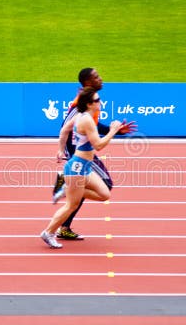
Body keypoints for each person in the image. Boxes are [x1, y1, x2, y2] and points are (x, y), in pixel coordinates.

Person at [51, 67, 136, 240]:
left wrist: (118, 130)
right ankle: (66, 197)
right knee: (105, 184)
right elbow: (66, 127)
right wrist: (62, 150)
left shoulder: (90, 100)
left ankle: (65, 224)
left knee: (96, 187)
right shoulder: (81, 103)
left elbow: (93, 126)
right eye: (97, 77)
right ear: (88, 83)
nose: (101, 78)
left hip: (84, 150)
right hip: (78, 152)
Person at [41, 87, 124, 248]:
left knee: (104, 194)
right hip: (77, 168)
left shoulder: (83, 116)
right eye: (97, 100)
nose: (100, 102)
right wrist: (113, 130)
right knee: (71, 205)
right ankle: (48, 232)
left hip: (84, 167)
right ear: (89, 104)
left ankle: (66, 188)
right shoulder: (86, 120)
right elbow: (98, 145)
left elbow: (65, 130)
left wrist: (60, 149)